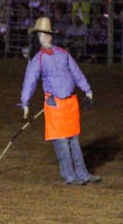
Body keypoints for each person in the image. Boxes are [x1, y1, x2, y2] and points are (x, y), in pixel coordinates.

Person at [20, 17, 100, 185]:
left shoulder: (63, 54)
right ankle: (70, 176)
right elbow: (30, 81)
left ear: (51, 36)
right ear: (38, 37)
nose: (45, 38)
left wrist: (88, 90)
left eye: (47, 34)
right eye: (42, 35)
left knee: (74, 141)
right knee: (62, 142)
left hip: (70, 103)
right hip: (55, 104)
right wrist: (25, 102)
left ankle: (82, 174)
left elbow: (76, 72)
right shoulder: (37, 60)